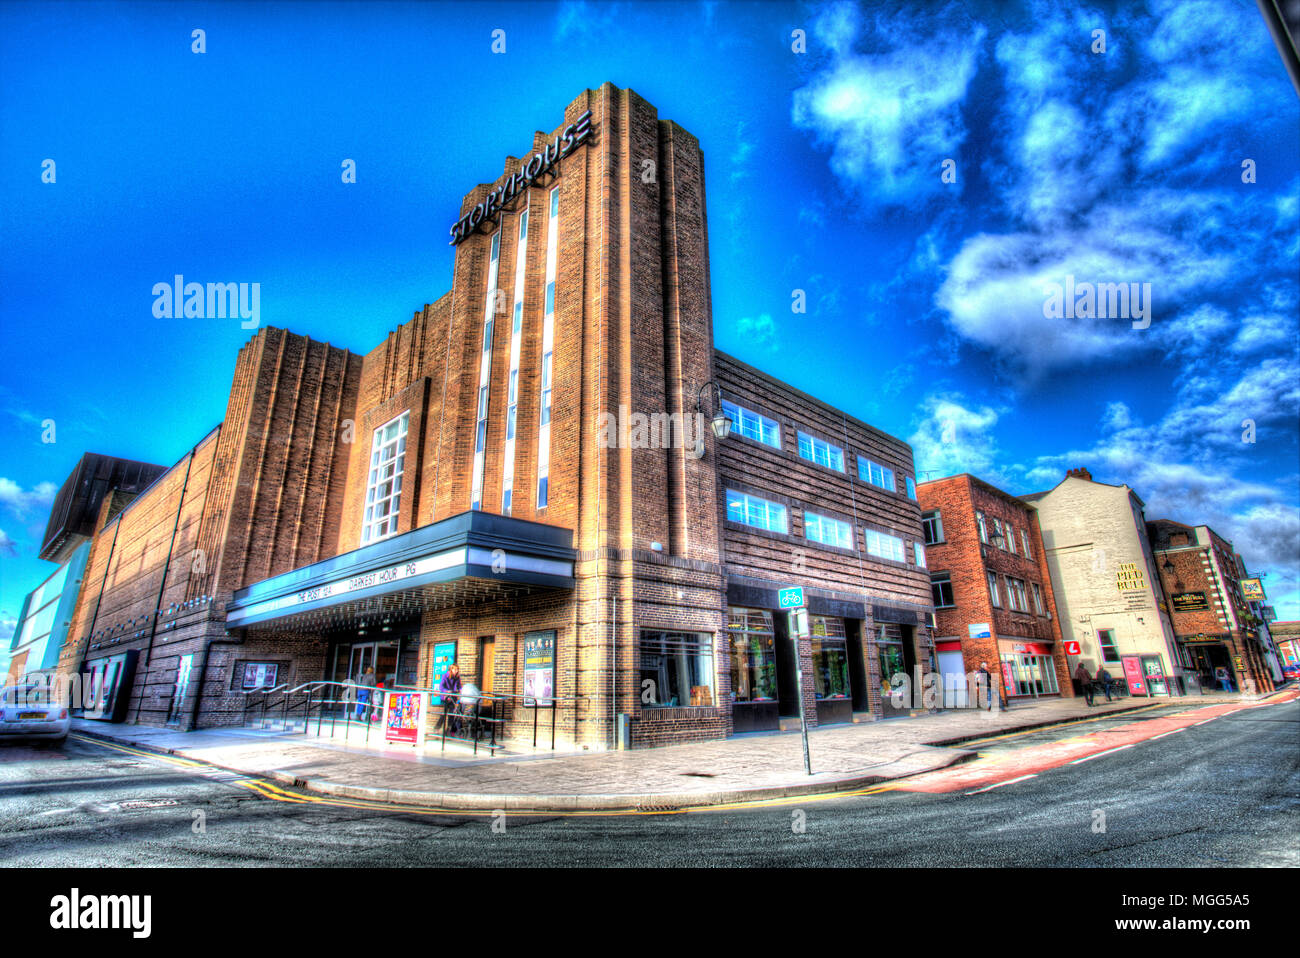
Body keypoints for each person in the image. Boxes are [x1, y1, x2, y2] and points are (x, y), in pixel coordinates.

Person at [435, 664, 462, 734]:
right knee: (444, 713)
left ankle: (448, 729)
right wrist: (446, 691)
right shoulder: (445, 676)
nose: (456, 671)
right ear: (451, 669)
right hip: (446, 697)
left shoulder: (457, 677)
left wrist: (461, 690)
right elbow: (441, 686)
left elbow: (459, 686)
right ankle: (437, 728)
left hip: (453, 697)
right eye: (455, 669)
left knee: (451, 714)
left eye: (457, 669)